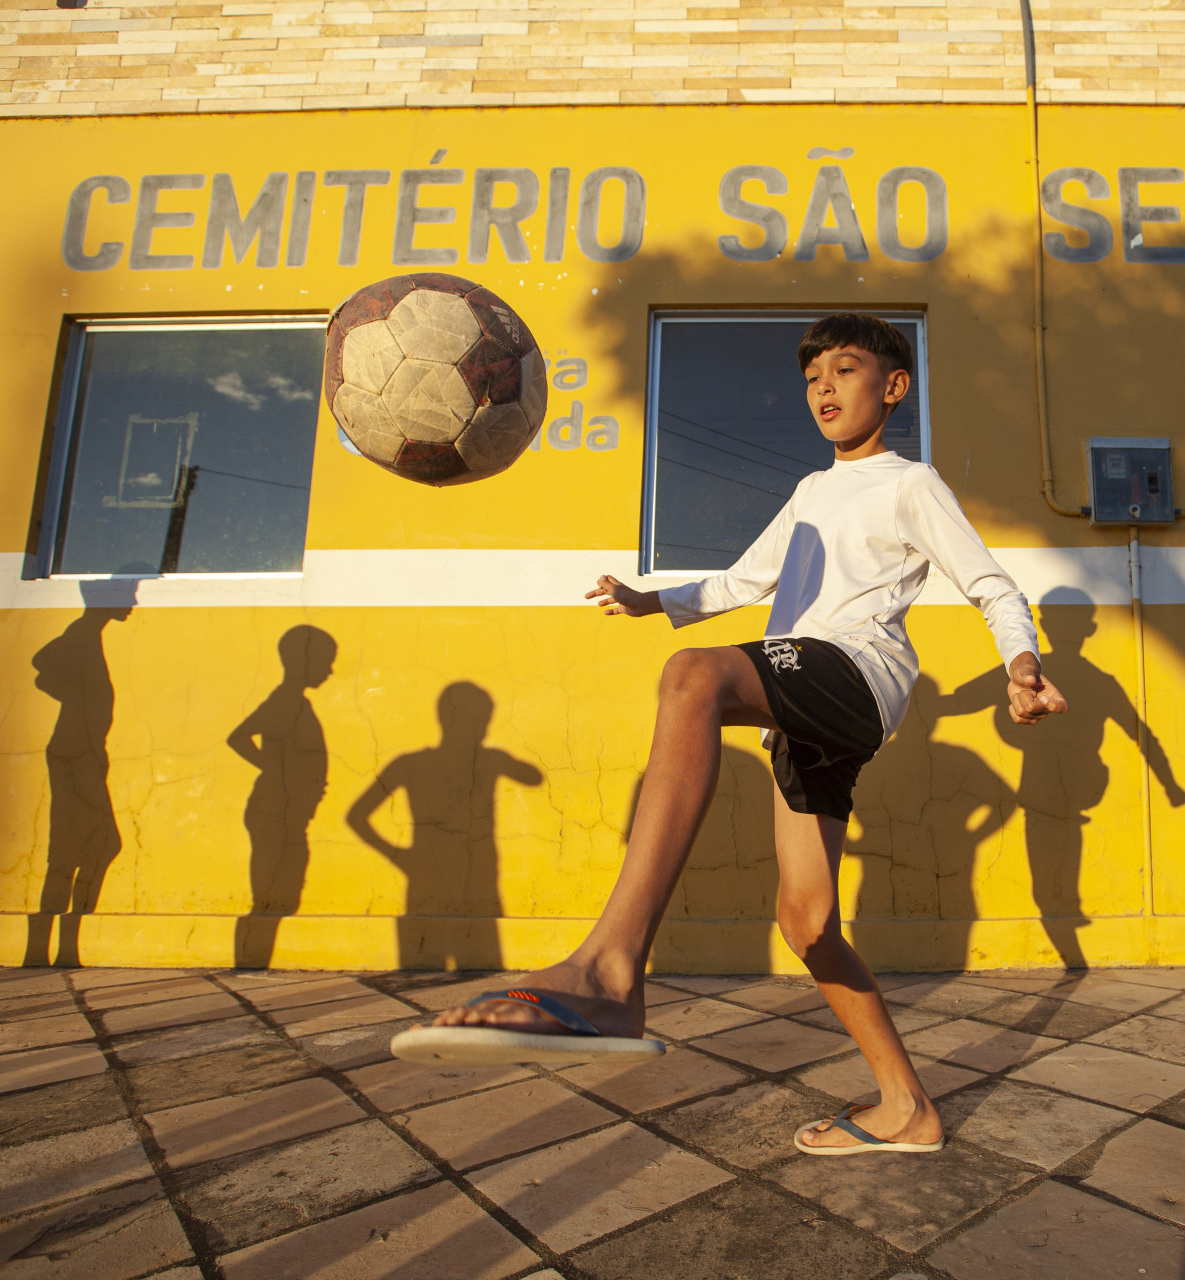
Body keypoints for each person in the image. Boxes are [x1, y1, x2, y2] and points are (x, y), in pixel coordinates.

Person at [424, 314, 1068, 1153]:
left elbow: (991, 584)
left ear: (894, 387)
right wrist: (651, 599)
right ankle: (907, 1109)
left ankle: (608, 970)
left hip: (856, 671)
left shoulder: (909, 483)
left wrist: (1020, 664)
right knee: (806, 921)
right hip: (807, 703)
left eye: (846, 371)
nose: (826, 389)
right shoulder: (810, 492)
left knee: (693, 677)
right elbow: (745, 581)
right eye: (813, 379)